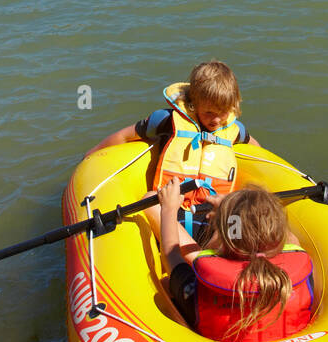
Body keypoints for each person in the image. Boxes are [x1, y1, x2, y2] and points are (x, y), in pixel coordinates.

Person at [87, 61, 259, 239]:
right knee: (149, 198)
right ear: (194, 103)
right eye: (208, 112)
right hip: (171, 213)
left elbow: (257, 150)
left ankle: (210, 257)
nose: (215, 120)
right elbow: (125, 135)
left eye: (222, 112)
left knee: (240, 208)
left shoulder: (234, 130)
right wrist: (92, 155)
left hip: (213, 214)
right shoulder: (167, 120)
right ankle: (190, 256)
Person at [159, 179, 315, 342]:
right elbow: (290, 240)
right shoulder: (305, 276)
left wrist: (168, 210)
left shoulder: (198, 290)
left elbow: (171, 253)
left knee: (167, 283)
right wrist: (232, 211)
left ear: (223, 239)